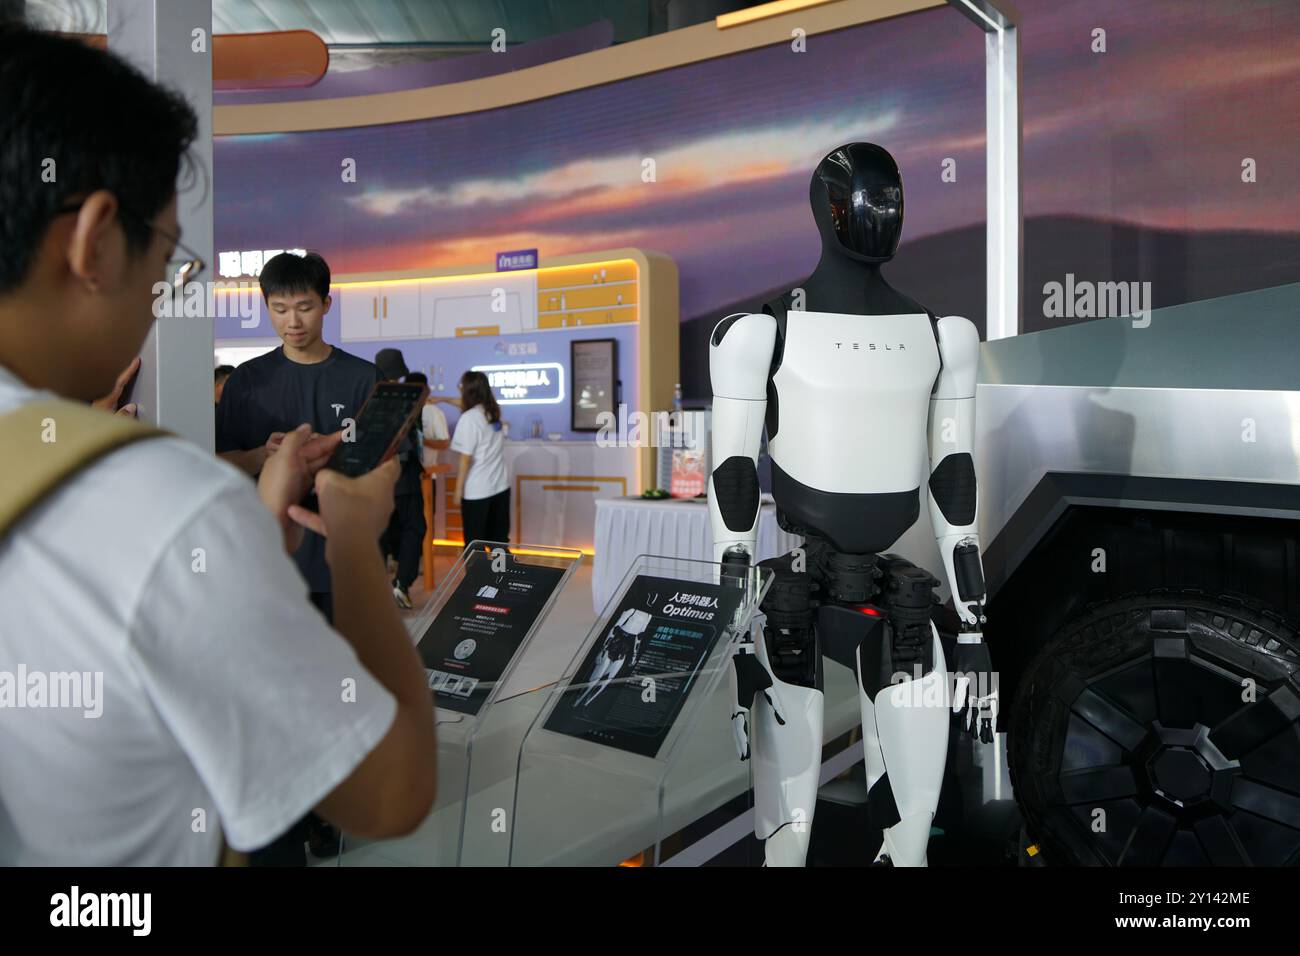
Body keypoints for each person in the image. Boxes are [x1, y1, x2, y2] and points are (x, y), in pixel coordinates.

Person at [0, 24, 435, 866]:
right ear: (94, 241)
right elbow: (394, 789)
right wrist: (351, 534)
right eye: (167, 255)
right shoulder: (153, 505)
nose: (165, 290)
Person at [216, 251, 377, 623]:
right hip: (264, 556)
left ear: (326, 304)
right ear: (266, 307)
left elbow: (386, 466)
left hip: (341, 556)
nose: (293, 321)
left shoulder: (363, 378)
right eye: (280, 308)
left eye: (304, 307)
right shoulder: (247, 380)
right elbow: (220, 463)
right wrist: (262, 456)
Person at [373, 349, 425, 609]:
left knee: (382, 532)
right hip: (404, 479)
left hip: (376, 481)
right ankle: (402, 584)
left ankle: (380, 589)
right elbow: (412, 443)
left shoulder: (368, 398)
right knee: (414, 528)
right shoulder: (407, 400)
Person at [441, 370, 510, 546]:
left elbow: (465, 459)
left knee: (474, 544)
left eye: (461, 387)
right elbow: (464, 405)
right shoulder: (493, 411)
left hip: (477, 490)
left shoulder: (468, 419)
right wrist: (442, 399)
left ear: (467, 390)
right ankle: (502, 573)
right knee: (498, 541)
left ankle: (477, 575)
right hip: (500, 486)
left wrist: (458, 490)